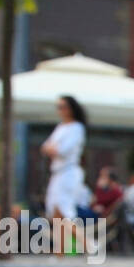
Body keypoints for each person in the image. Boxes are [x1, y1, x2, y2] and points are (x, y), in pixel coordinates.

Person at [42, 96, 87, 242]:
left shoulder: (76, 128)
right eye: (58, 107)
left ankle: (89, 244)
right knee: (55, 213)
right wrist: (52, 148)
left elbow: (61, 150)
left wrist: (53, 148)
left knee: (64, 212)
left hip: (68, 173)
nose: (60, 110)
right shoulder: (61, 127)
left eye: (63, 106)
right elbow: (45, 147)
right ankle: (60, 251)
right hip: (57, 173)